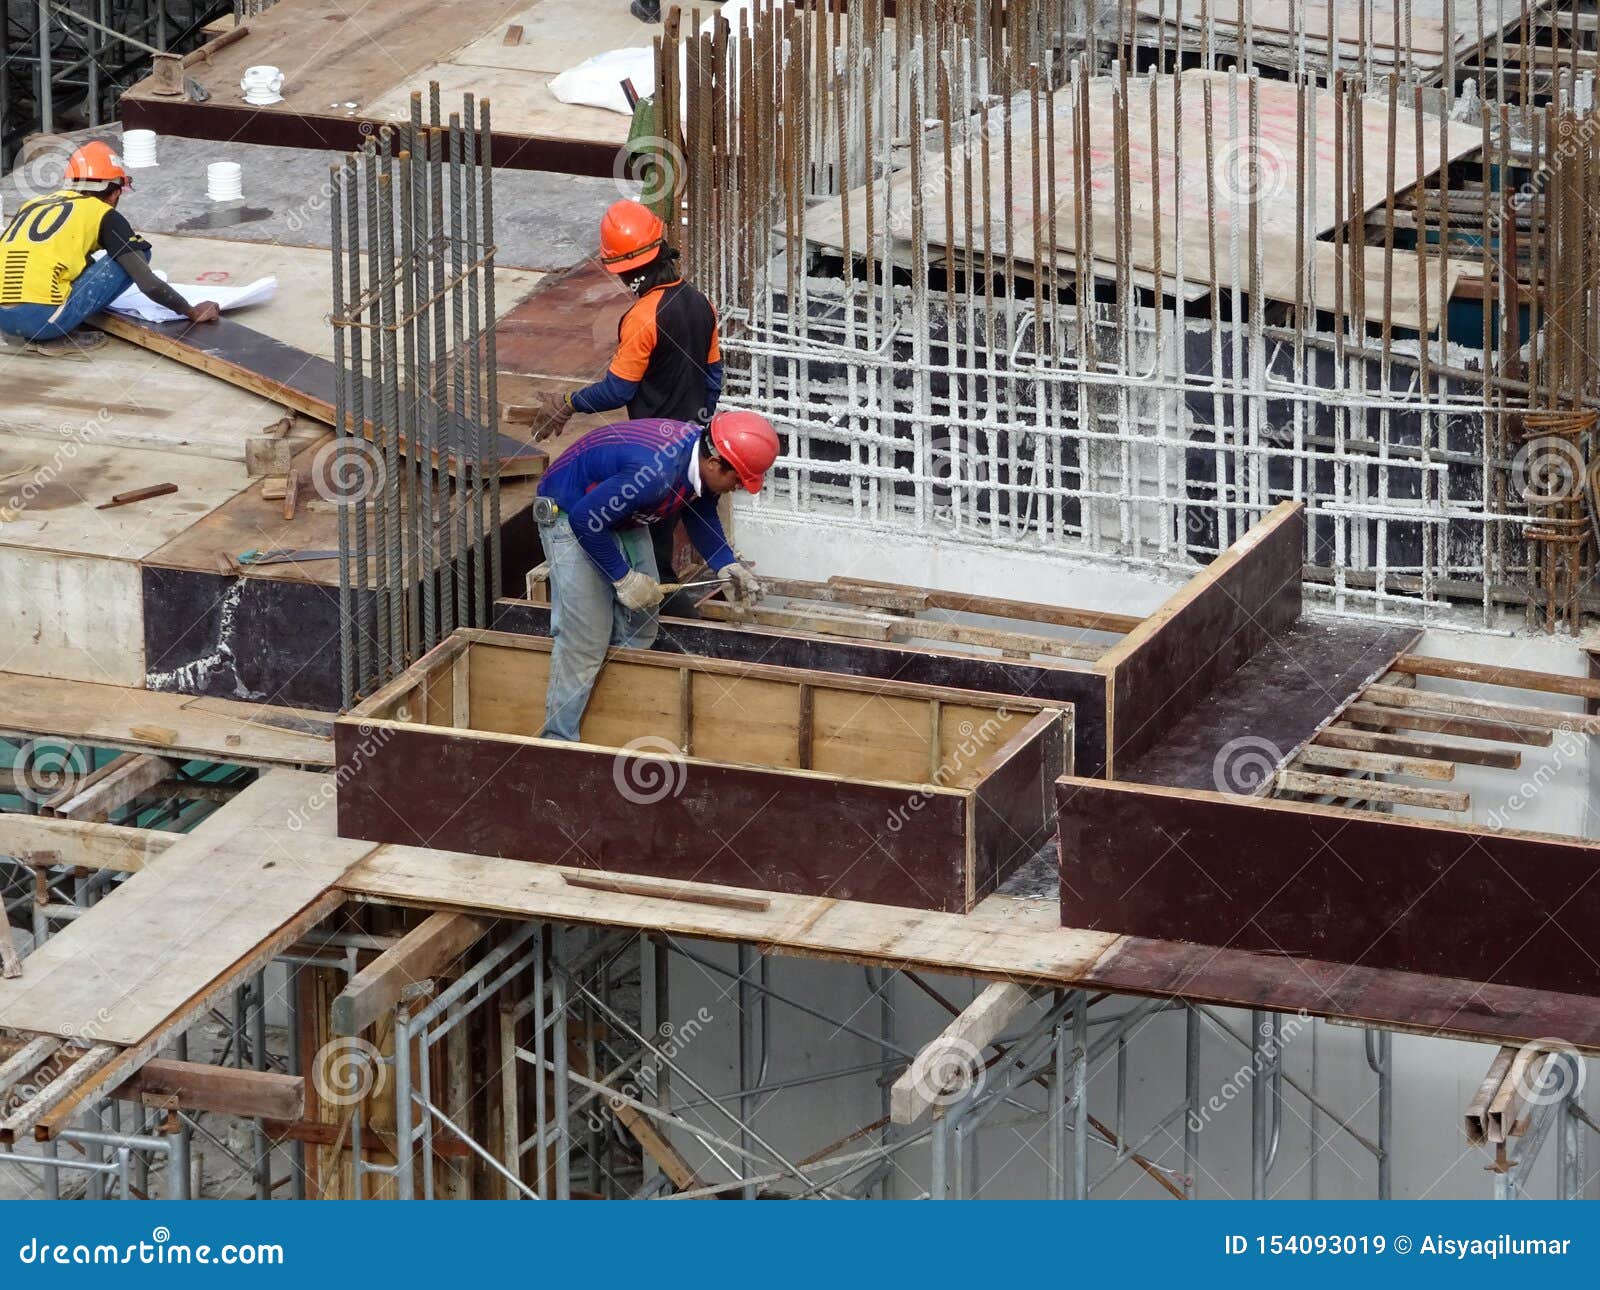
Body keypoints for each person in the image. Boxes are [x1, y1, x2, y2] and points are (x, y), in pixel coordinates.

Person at [533, 410, 780, 742]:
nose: (738, 488)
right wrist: (623, 579)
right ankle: (558, 741)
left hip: (620, 511)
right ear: (714, 464)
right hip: (571, 512)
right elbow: (585, 521)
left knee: (641, 623)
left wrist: (725, 564)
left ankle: (609, 718)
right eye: (738, 480)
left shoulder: (700, 459)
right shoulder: (655, 474)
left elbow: (701, 509)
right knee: (586, 640)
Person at [528, 199, 723, 613]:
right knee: (671, 533)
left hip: (651, 455)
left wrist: (569, 402)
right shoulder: (700, 302)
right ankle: (664, 615)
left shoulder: (643, 317)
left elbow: (617, 390)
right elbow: (713, 378)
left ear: (628, 270)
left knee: (647, 555)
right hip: (695, 446)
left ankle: (658, 624)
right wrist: (700, 427)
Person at [0, 141, 219, 355]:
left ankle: (29, 329)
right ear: (115, 194)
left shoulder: (32, 205)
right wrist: (191, 311)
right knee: (138, 252)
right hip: (43, 321)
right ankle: (51, 336)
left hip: (3, 319)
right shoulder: (103, 213)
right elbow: (149, 284)